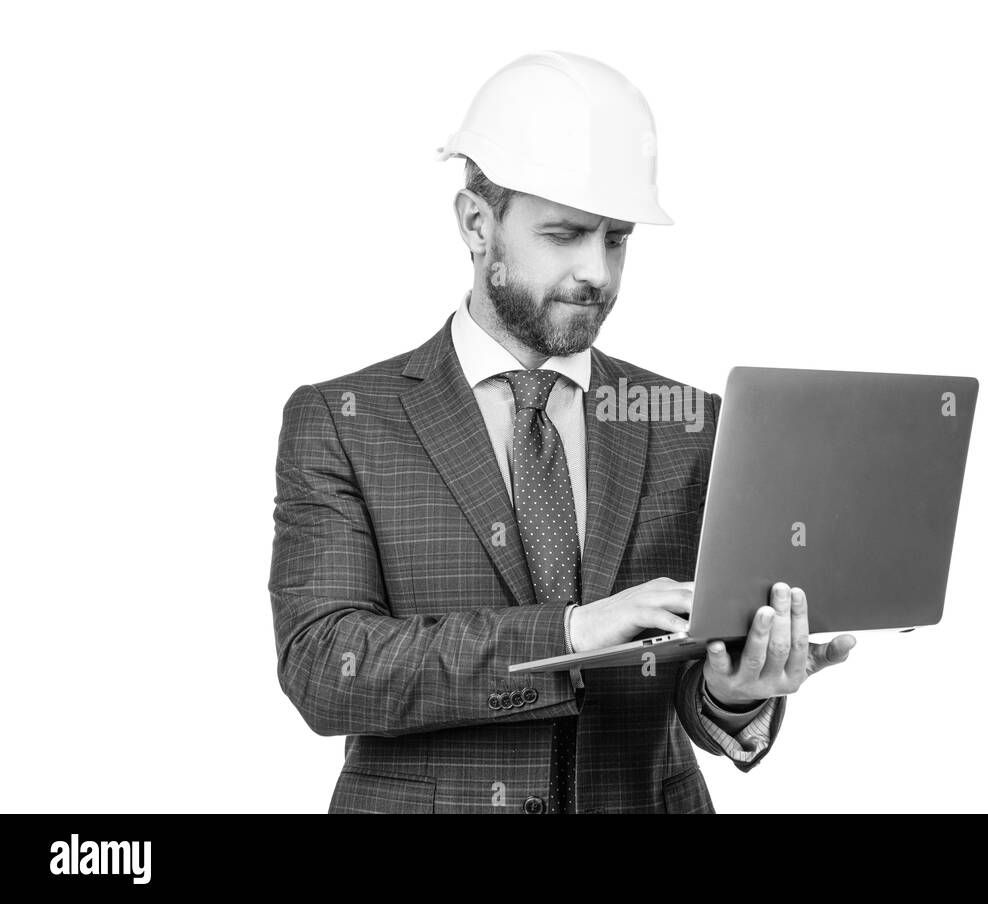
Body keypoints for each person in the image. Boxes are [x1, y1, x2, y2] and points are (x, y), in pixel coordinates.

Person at [269, 50, 855, 814]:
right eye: (565, 234)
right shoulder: (346, 422)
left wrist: (733, 691)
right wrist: (571, 632)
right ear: (477, 224)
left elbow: (696, 670)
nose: (598, 273)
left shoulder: (691, 421)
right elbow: (324, 667)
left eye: (616, 239)